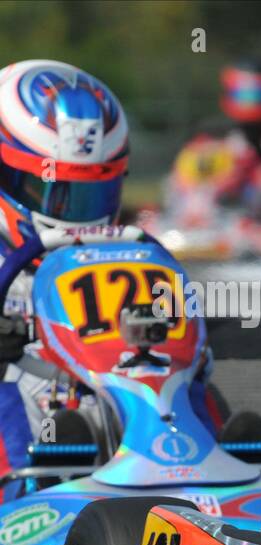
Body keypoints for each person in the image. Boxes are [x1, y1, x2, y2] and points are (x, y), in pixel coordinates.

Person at [0, 59, 130, 483]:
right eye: (53, 193)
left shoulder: (124, 262)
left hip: (118, 444)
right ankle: (41, 482)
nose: (72, 218)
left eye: (88, 195)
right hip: (21, 450)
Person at [170, 58, 261, 222]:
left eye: (257, 96)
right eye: (244, 95)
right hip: (214, 204)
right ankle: (188, 218)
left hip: (257, 213)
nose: (249, 103)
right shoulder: (216, 139)